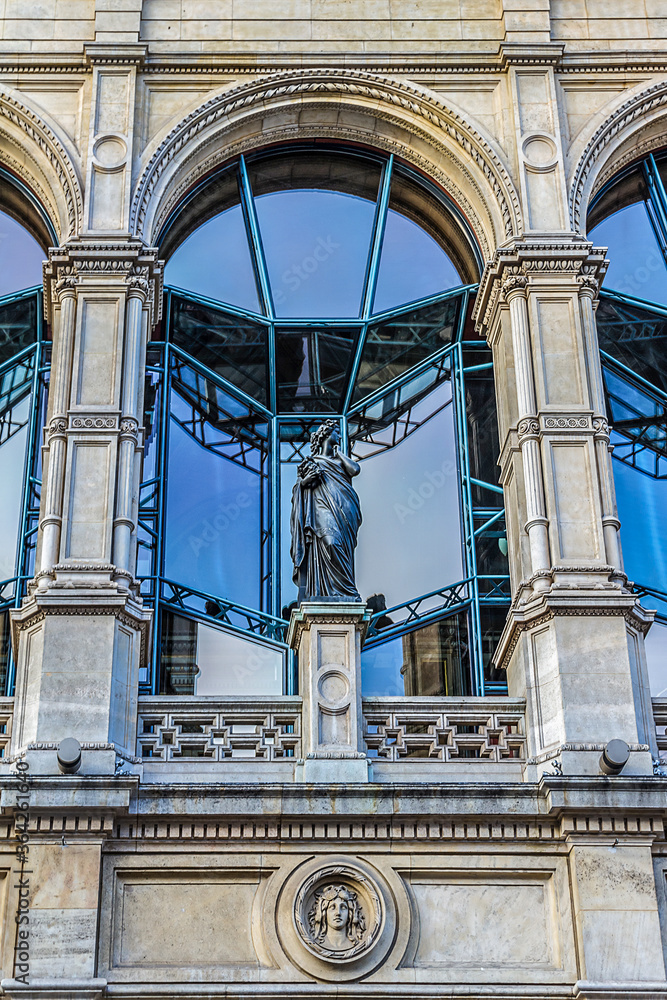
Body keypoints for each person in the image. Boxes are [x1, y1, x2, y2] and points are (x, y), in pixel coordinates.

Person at [290, 419, 362, 601]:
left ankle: (343, 594)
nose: (340, 436)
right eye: (337, 432)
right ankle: (343, 589)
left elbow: (355, 470)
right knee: (330, 542)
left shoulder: (340, 460)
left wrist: (339, 453)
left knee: (341, 547)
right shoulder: (312, 461)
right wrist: (306, 481)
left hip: (345, 509)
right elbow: (298, 488)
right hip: (321, 507)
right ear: (327, 434)